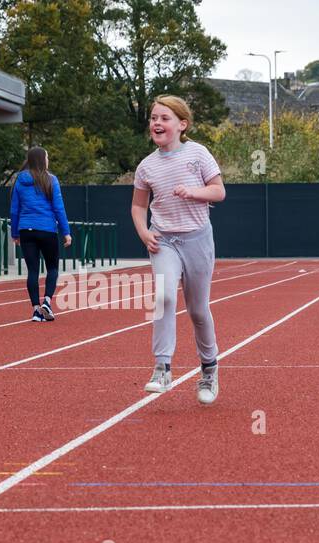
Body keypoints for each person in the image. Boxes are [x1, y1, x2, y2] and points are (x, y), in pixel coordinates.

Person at [130, 94, 225, 405]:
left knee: (198, 310)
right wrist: (144, 232)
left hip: (197, 239)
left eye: (164, 118)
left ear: (182, 124)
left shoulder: (198, 154)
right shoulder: (146, 166)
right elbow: (137, 206)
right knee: (164, 296)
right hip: (163, 240)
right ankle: (162, 367)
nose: (157, 123)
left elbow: (218, 191)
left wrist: (193, 192)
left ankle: (209, 369)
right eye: (154, 118)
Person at [8, 146, 72, 321]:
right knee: (52, 268)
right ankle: (47, 302)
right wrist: (66, 232)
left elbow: (14, 210)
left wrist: (15, 233)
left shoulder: (20, 180)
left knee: (33, 271)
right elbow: (59, 208)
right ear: (42, 160)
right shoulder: (51, 180)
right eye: (47, 157)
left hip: (26, 230)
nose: (48, 160)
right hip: (47, 229)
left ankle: (36, 309)